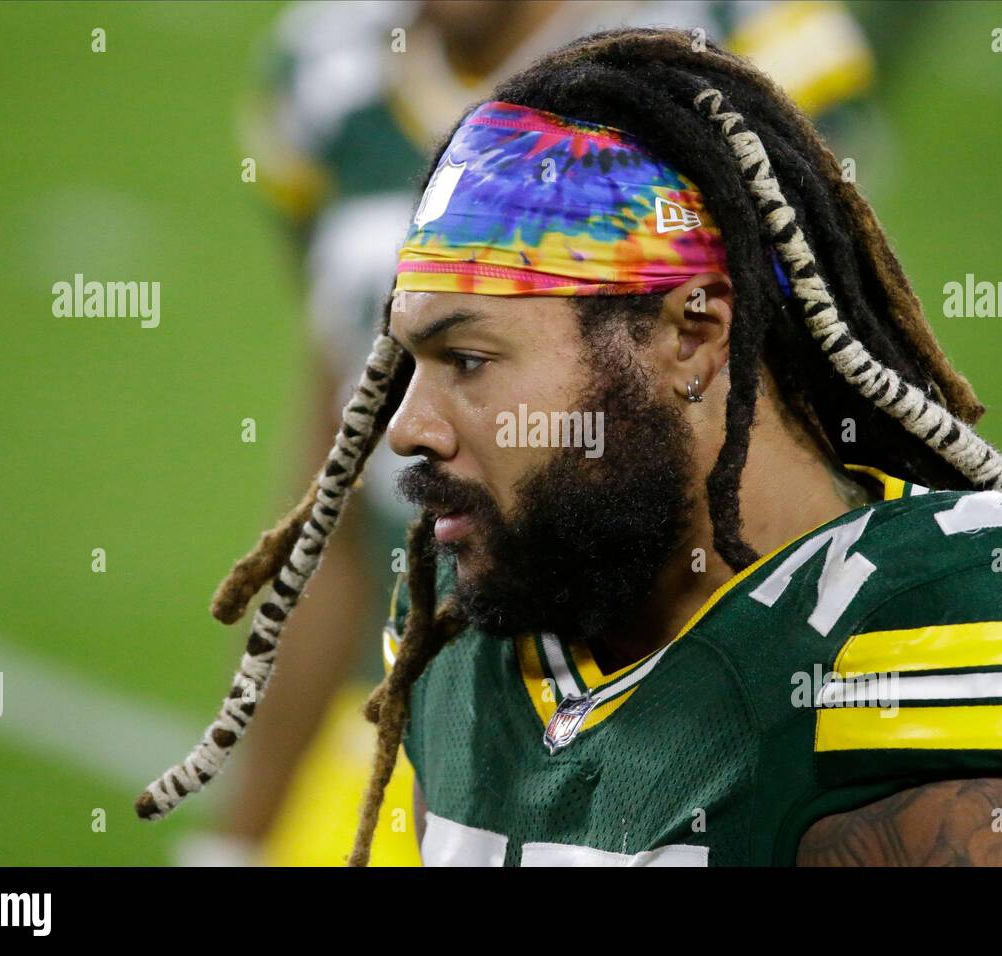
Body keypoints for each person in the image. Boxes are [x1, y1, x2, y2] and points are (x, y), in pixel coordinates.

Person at [142, 26, 1002, 866]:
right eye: (407, 361)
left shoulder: (940, 657)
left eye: (468, 358)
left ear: (691, 332)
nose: (405, 428)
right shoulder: (475, 649)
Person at [189, 0, 877, 866]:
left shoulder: (732, 40)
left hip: (683, 715)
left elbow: (818, 393)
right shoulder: (326, 71)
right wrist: (239, 841)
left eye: (472, 359)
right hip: (416, 717)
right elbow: (339, 474)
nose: (412, 428)